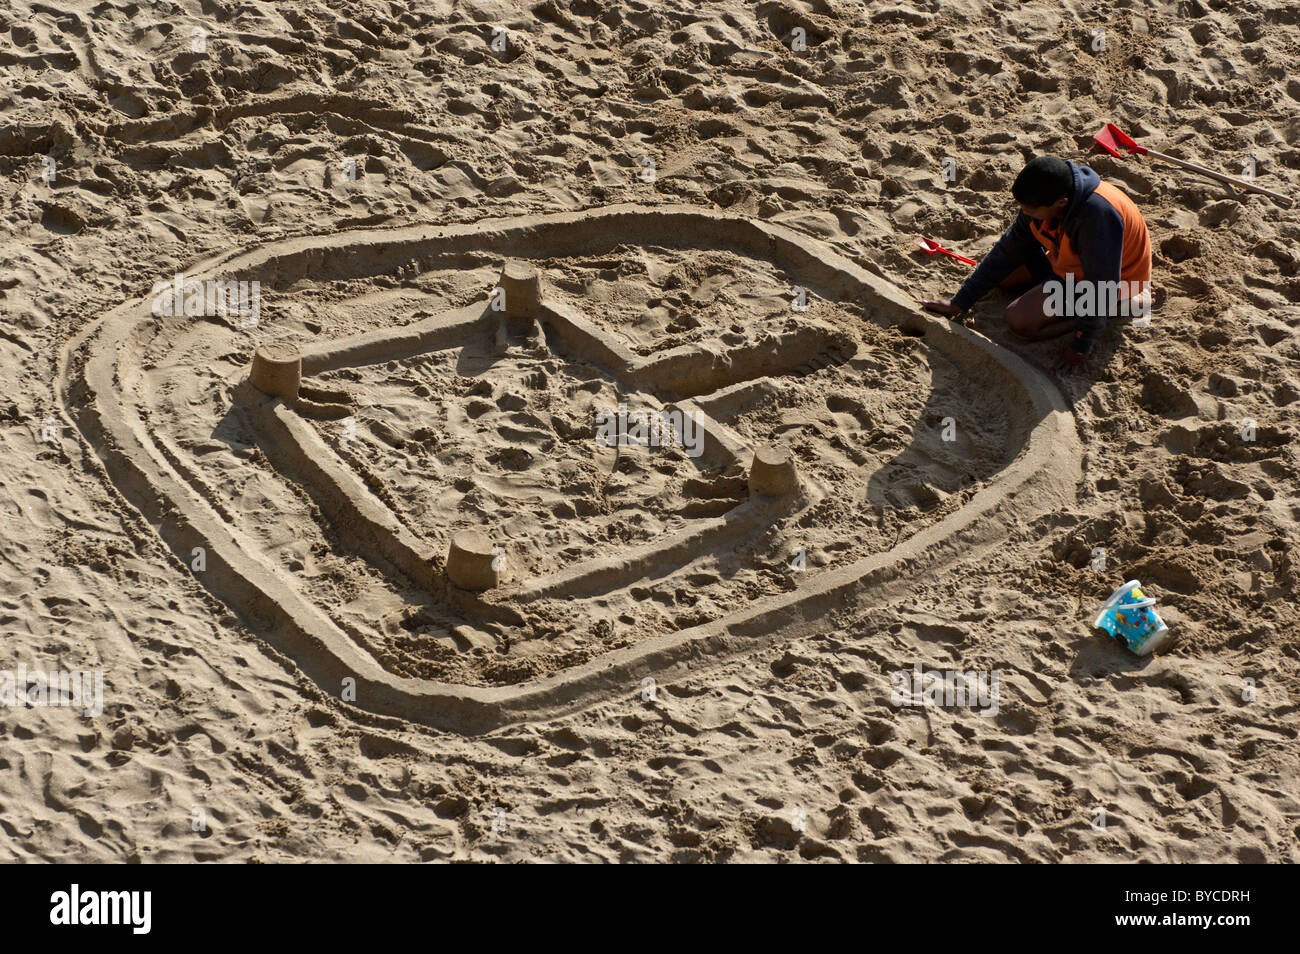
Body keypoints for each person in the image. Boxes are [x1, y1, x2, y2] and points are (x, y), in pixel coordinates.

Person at [921, 155, 1152, 373]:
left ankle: (1125, 303)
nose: (1025, 214)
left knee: (1019, 321)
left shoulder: (1096, 218)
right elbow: (1007, 251)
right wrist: (959, 301)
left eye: (1030, 210)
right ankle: (1052, 294)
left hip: (1116, 279)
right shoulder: (1043, 200)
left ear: (1061, 203)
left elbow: (1102, 285)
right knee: (1003, 274)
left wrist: (1082, 344)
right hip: (1067, 259)